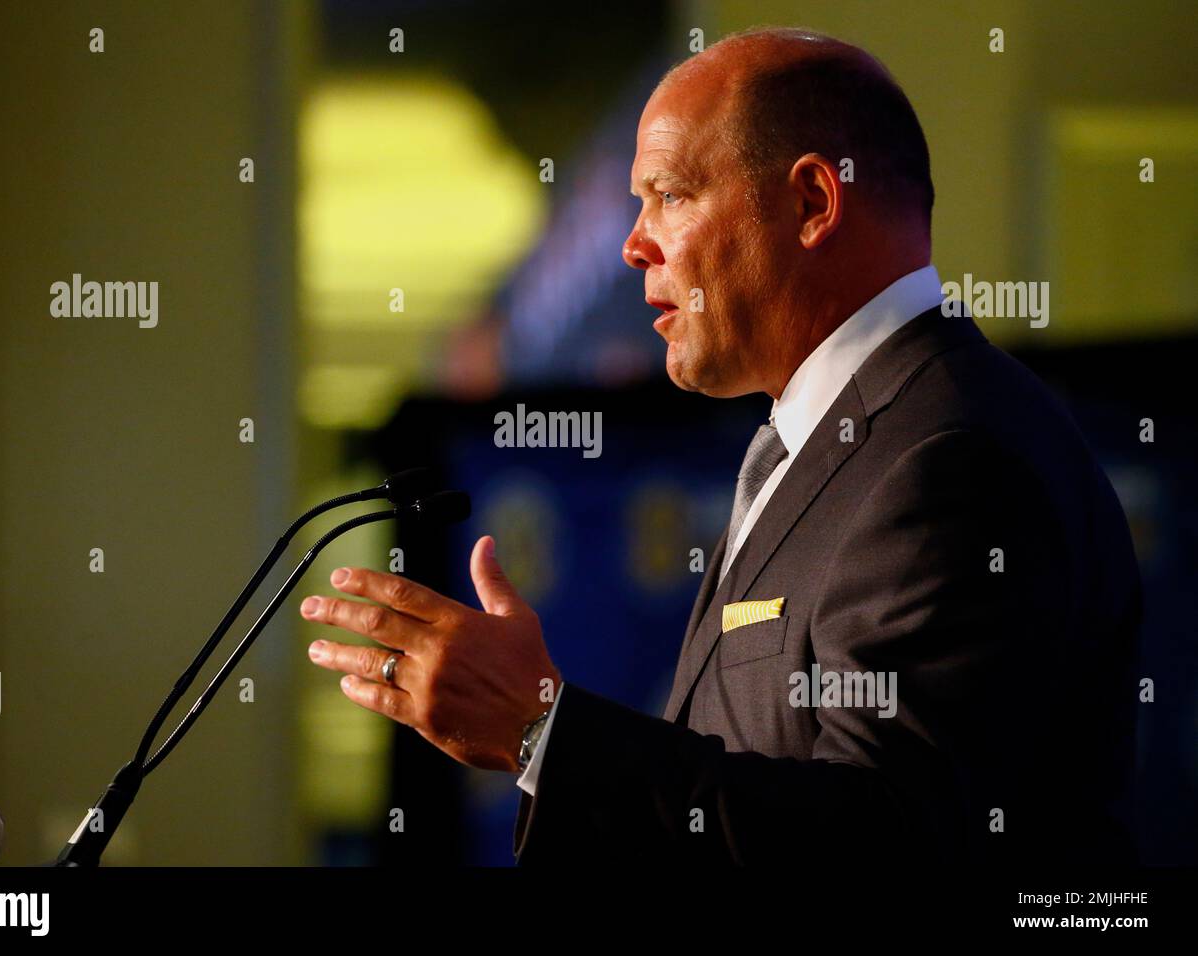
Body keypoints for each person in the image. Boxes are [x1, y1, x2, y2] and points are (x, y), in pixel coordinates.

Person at [299, 27, 1141, 865]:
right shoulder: (821, 443)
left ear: (812, 203)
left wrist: (541, 732)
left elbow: (885, 840)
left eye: (669, 195)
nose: (636, 242)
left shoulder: (949, 457)